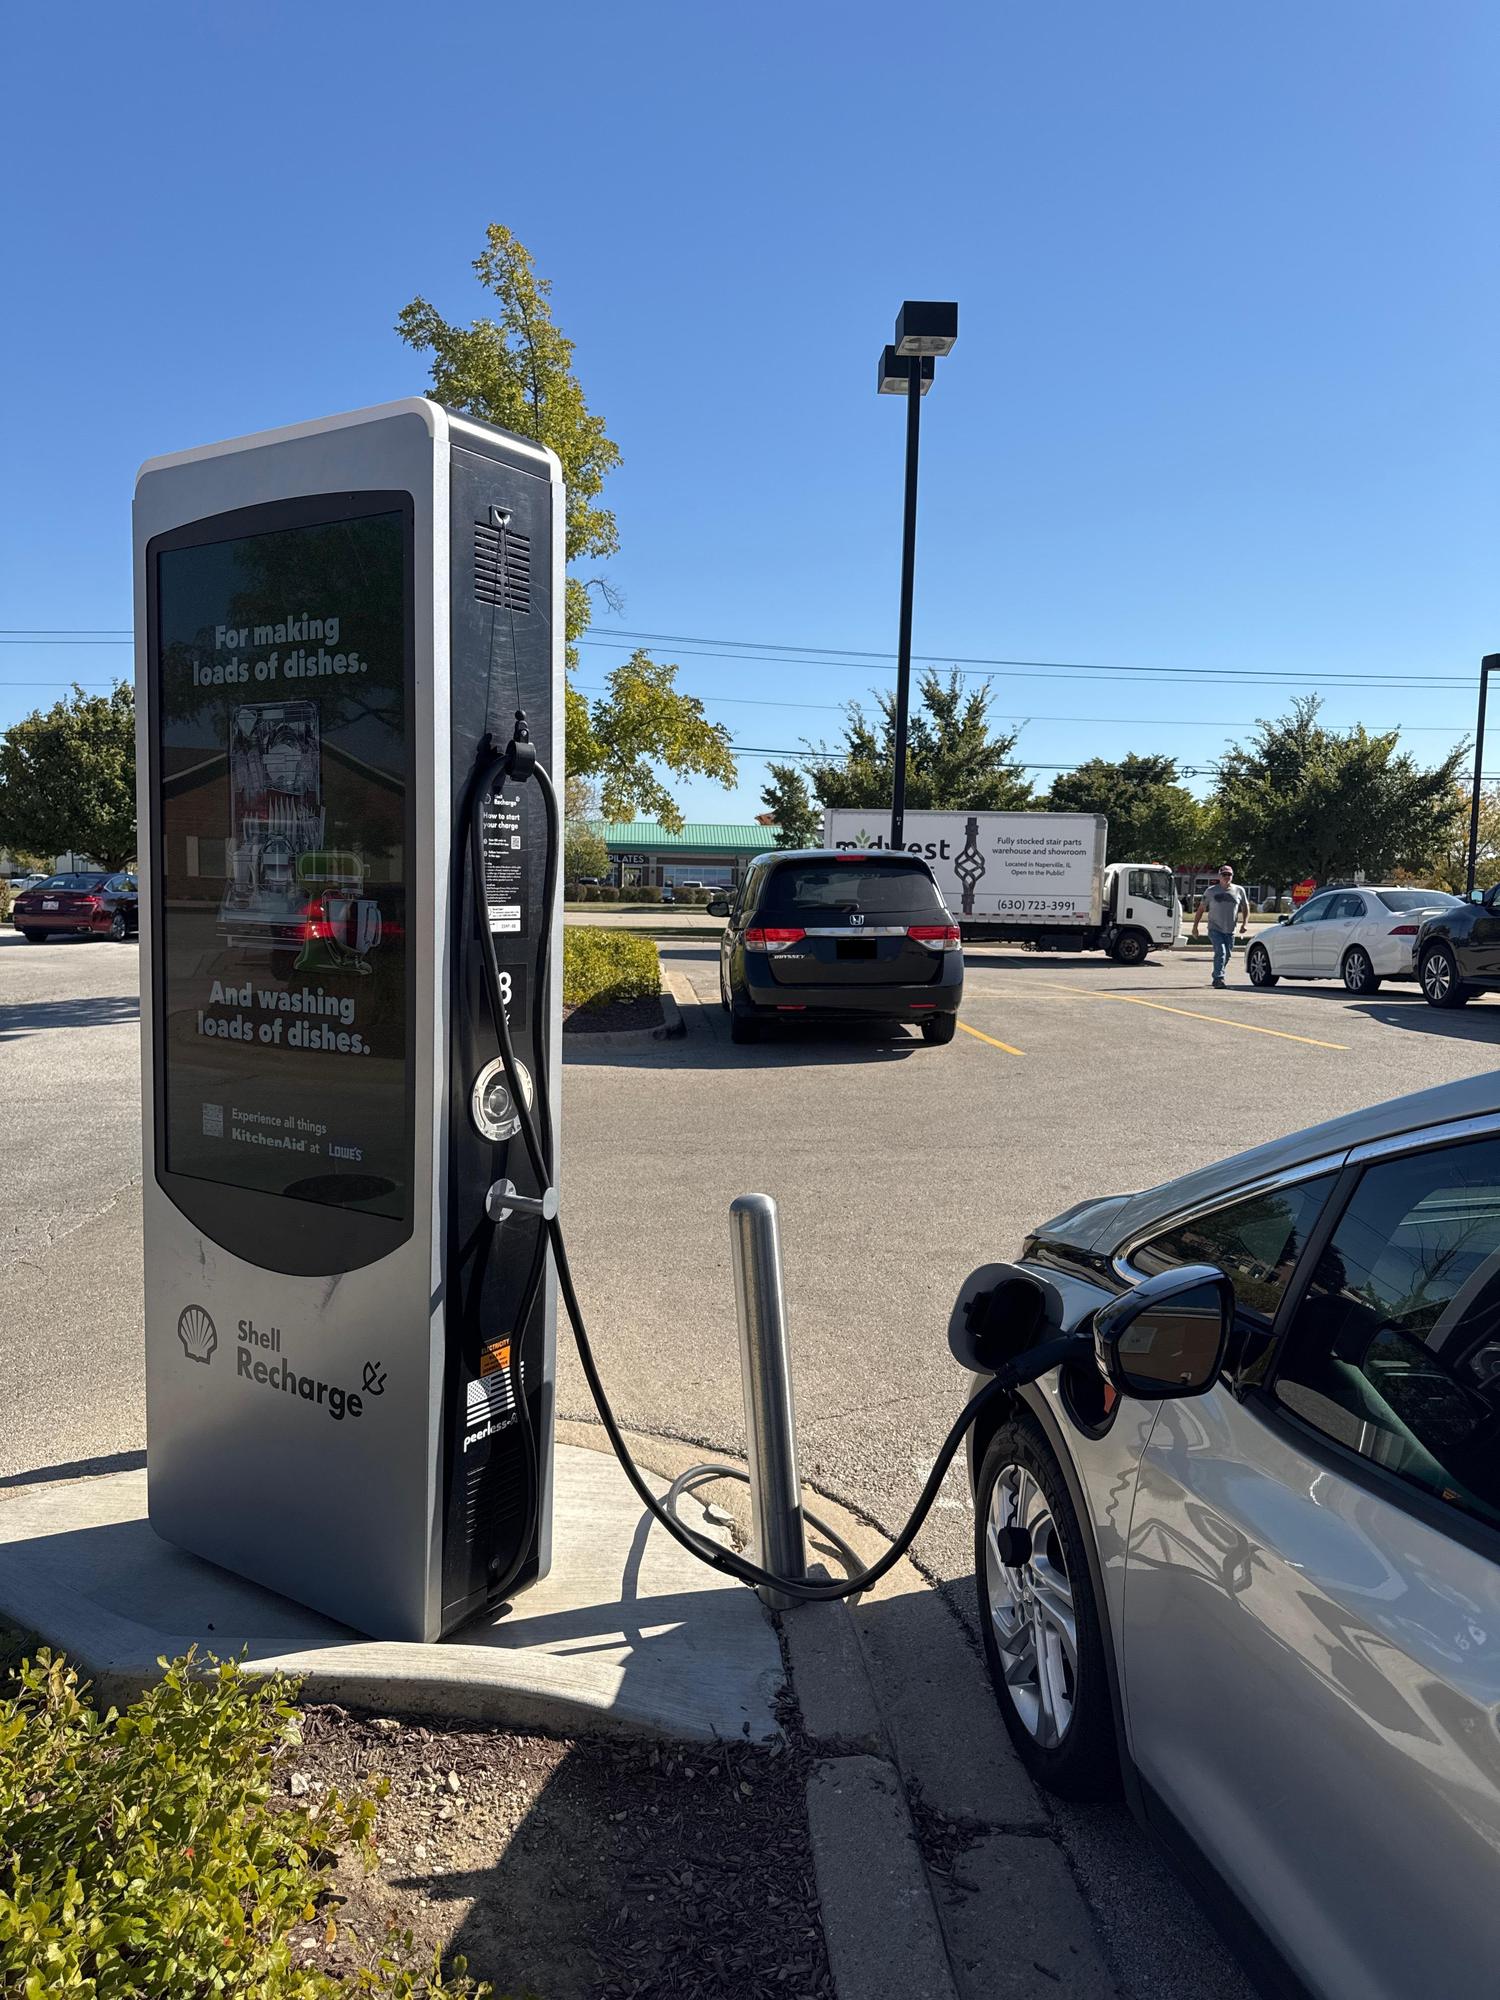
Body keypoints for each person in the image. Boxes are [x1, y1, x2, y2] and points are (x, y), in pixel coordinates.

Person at [1192, 864, 1250, 987]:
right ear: (1219, 876)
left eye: (1229, 874)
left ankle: (1217, 974)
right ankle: (1219, 978)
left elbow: (1245, 907)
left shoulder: (1239, 890)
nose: (1227, 877)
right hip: (1215, 928)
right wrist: (1195, 926)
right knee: (1221, 952)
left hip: (1230, 929)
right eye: (1224, 874)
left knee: (1227, 955)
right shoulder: (1211, 891)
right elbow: (1201, 909)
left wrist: (1245, 923)